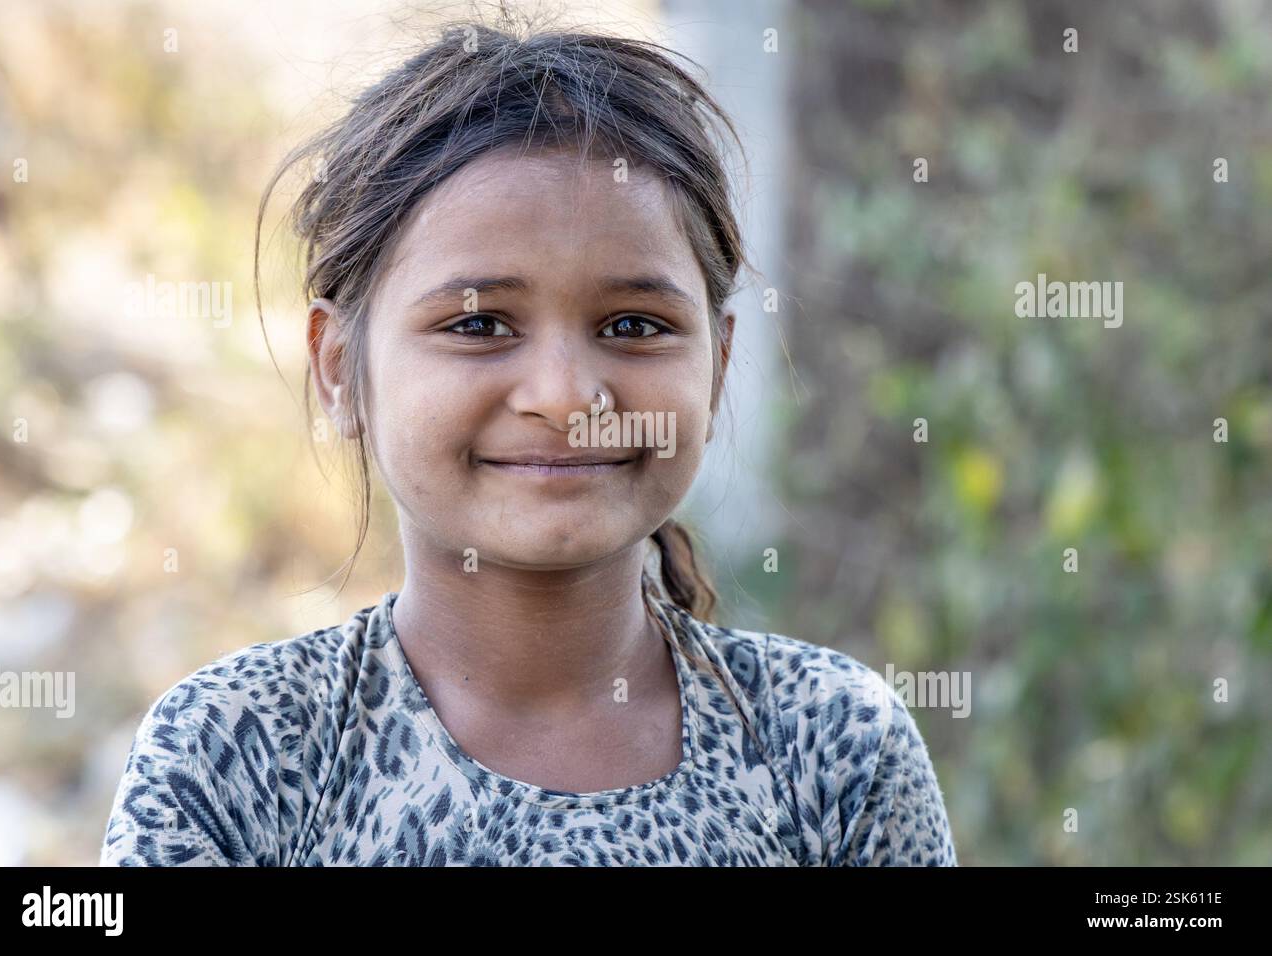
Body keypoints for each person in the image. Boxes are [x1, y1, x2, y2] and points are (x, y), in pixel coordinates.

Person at [99, 19, 957, 867]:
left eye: (633, 324)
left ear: (719, 364)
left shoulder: (836, 748)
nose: (564, 397)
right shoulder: (241, 757)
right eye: (479, 323)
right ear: (337, 369)